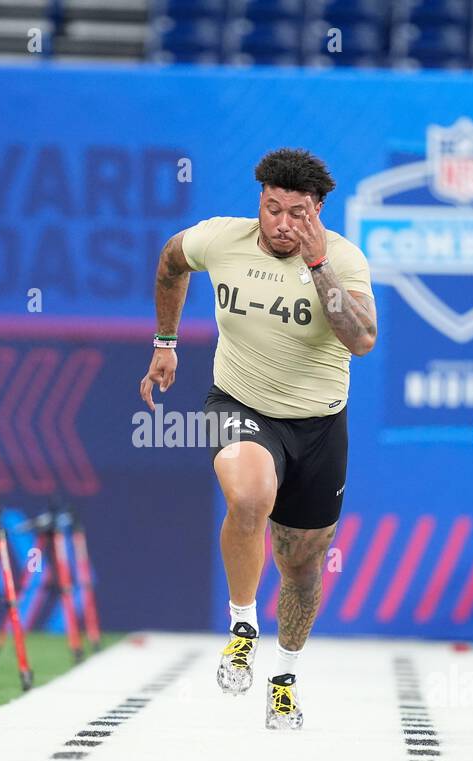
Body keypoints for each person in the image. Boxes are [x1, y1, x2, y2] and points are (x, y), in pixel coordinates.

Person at [139, 148, 376, 729]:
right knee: (248, 496)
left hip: (318, 423)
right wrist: (165, 342)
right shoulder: (222, 239)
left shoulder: (342, 258)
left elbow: (363, 338)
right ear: (260, 203)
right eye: (273, 209)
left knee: (301, 564)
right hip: (240, 402)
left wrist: (319, 269)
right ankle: (242, 627)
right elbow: (171, 262)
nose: (283, 225)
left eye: (298, 213)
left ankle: (285, 678)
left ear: (317, 211)